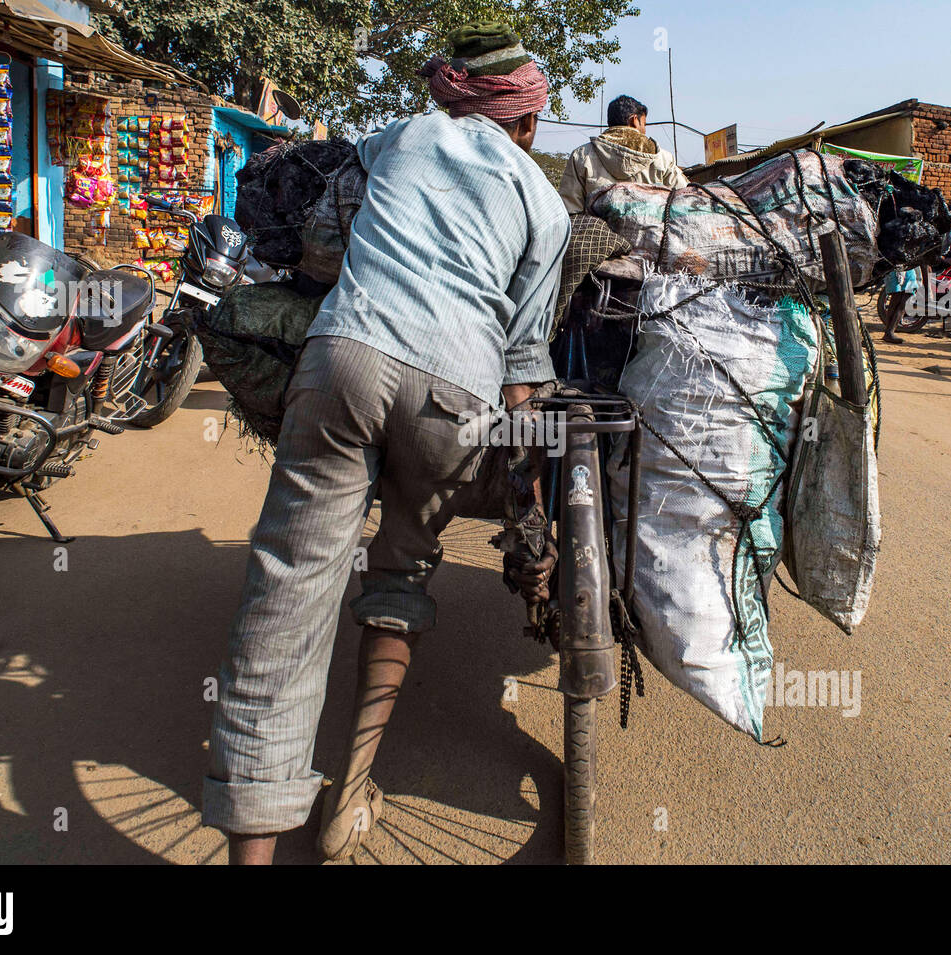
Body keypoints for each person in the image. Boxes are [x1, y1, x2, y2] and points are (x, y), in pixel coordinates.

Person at [202, 21, 568, 864]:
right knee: (400, 569)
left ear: (450, 94)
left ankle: (252, 850)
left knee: (288, 590)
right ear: (529, 121)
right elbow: (523, 363)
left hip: (346, 359)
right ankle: (354, 784)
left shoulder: (394, 138)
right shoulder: (544, 204)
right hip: (460, 394)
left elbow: (323, 250)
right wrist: (530, 501)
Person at [558, 94, 688, 213]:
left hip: (597, 237)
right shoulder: (662, 158)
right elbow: (686, 199)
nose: (644, 130)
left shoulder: (581, 156)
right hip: (653, 238)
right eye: (644, 124)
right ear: (634, 120)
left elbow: (570, 211)